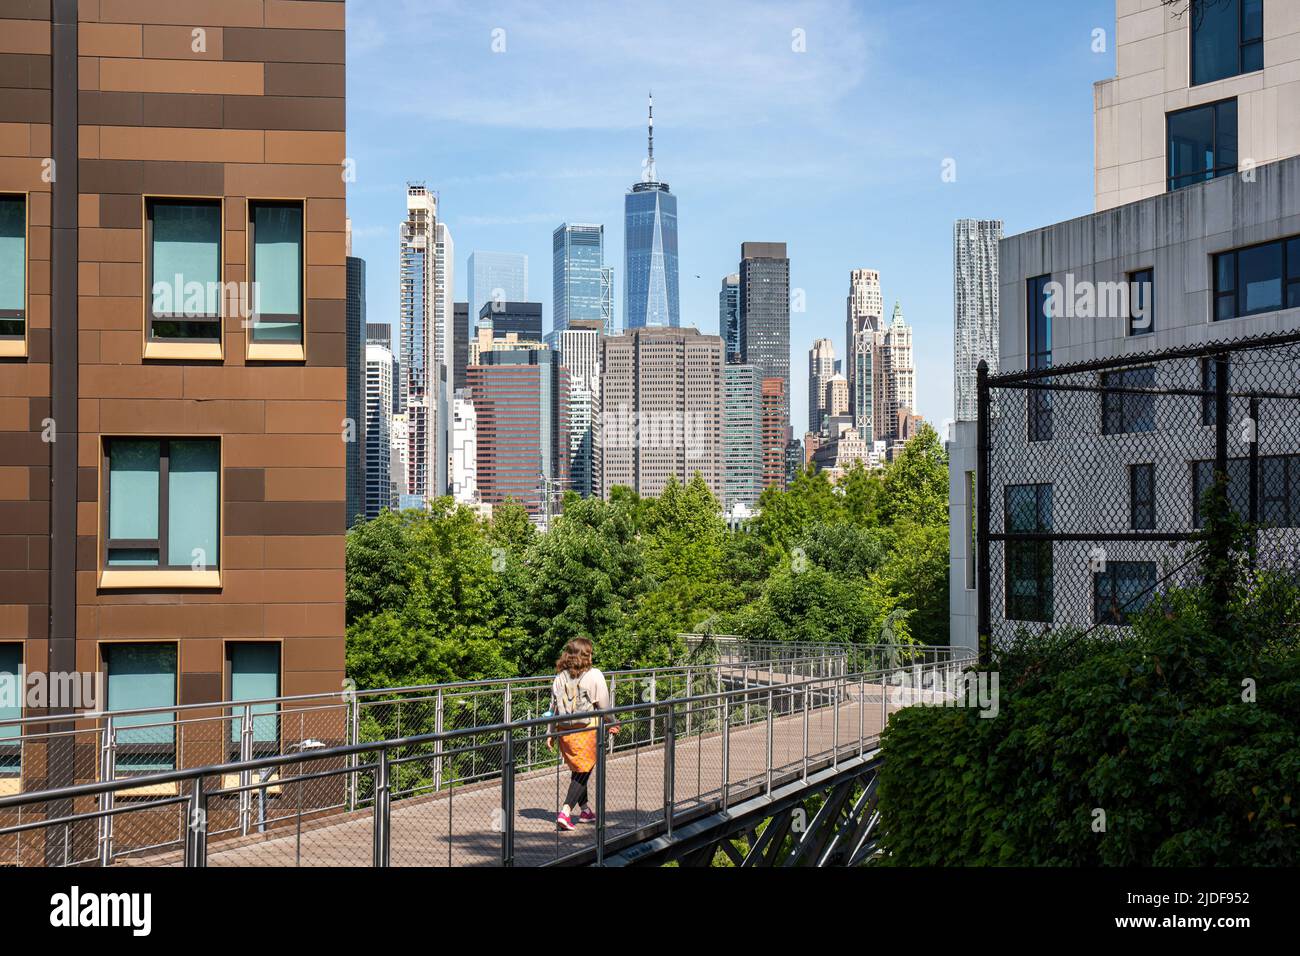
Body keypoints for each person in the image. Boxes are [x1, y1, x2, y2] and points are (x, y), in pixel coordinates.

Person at [546, 637, 617, 831]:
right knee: (583, 770)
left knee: (578, 768)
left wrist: (550, 733)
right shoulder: (594, 675)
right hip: (587, 731)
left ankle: (585, 810)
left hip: (565, 731)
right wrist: (614, 722)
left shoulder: (559, 677)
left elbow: (553, 709)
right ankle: (565, 812)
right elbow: (604, 706)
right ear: (586, 654)